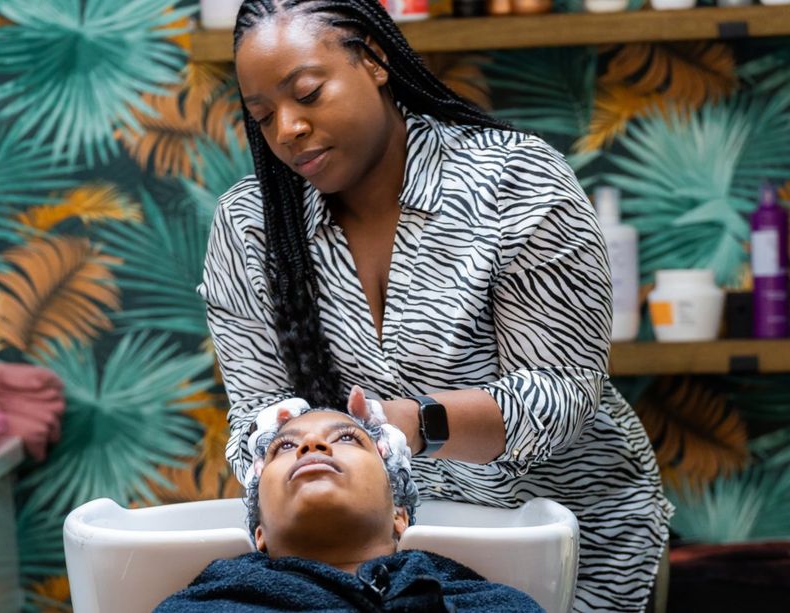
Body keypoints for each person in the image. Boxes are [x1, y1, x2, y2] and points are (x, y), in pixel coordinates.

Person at [197, 1, 673, 610]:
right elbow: (252, 421)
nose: (287, 128)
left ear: (374, 59)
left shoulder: (514, 181)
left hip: (563, 539)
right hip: (372, 563)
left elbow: (564, 391)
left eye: (309, 94)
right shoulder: (251, 227)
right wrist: (277, 439)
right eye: (262, 116)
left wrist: (420, 425)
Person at [154, 408, 544, 612]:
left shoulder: (493, 605)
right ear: (260, 534)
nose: (311, 446)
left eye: (345, 438)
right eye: (285, 447)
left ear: (399, 514)